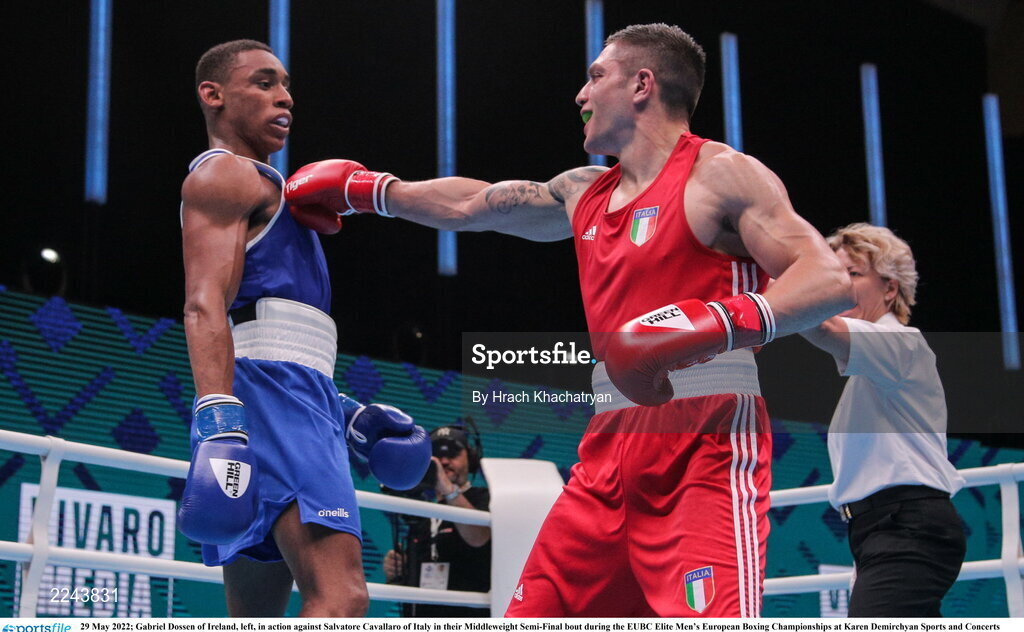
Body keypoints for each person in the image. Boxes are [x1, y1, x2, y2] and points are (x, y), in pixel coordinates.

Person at [285, 23, 853, 616]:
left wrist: (712, 323)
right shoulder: (583, 192)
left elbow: (827, 279)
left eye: (595, 76)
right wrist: (371, 190)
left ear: (642, 84)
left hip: (704, 439)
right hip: (608, 447)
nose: (581, 95)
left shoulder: (721, 173)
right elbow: (472, 205)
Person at [178, 39, 429, 617]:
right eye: (263, 82)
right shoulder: (227, 176)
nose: (284, 96)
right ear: (213, 95)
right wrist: (218, 417)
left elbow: (269, 328)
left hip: (283, 394)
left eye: (286, 84)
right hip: (272, 401)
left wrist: (342, 410)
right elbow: (204, 305)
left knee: (256, 615)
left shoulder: (270, 191)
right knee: (341, 599)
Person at [799, 223, 966, 617]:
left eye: (853, 275)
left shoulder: (901, 344)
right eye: (835, 277)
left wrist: (767, 273)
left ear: (890, 288)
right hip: (879, 531)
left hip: (907, 526)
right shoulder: (870, 372)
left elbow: (822, 325)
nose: (840, 287)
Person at [383, 425, 492, 617]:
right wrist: (399, 568)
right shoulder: (424, 512)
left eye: (452, 453)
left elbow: (478, 537)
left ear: (471, 458)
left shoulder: (484, 498)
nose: (443, 461)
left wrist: (447, 487)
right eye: (436, 454)